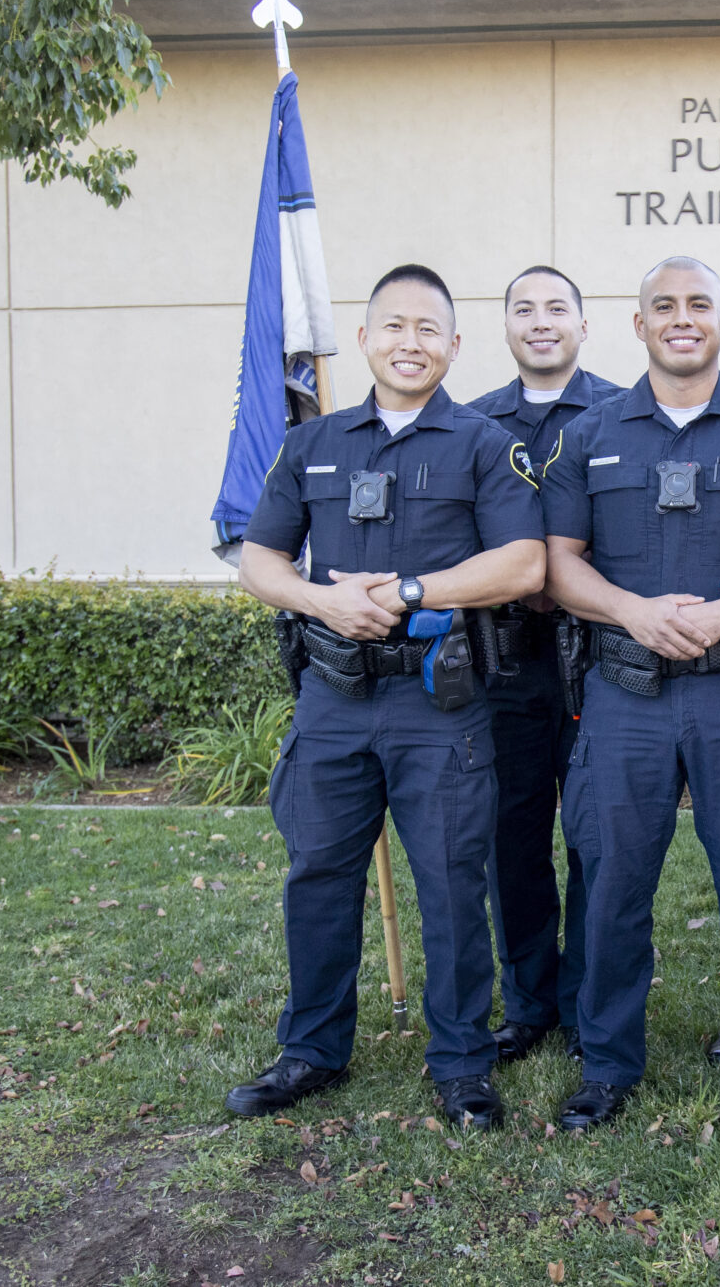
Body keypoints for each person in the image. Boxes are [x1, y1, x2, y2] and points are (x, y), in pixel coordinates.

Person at [228, 264, 547, 1129]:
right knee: (319, 874)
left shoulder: (485, 445)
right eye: (394, 327)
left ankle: (461, 1062)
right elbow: (259, 560)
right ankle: (312, 1049)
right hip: (331, 698)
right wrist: (320, 598)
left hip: (437, 704)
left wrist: (409, 590)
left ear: (453, 345)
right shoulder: (312, 443)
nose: (411, 343)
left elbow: (523, 564)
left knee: (450, 882)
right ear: (365, 339)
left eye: (428, 329)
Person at [540, 256, 720, 1142]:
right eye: (663, 306)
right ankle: (606, 1067)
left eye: (698, 305)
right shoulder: (589, 432)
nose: (681, 318)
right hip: (624, 699)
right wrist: (632, 611)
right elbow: (556, 562)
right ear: (637, 326)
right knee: (611, 882)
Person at [465, 266, 622, 1064]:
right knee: (512, 838)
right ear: (505, 327)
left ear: (583, 325)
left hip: (599, 663)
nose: (540, 321)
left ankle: (587, 996)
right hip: (504, 667)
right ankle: (529, 1002)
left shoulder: (625, 416)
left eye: (557, 307)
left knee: (598, 836)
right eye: (522, 307)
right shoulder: (470, 425)